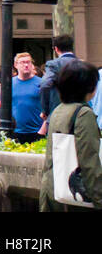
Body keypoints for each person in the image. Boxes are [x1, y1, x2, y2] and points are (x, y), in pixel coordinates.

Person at [39, 59, 102, 211]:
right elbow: (89, 161)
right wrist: (99, 199)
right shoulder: (83, 113)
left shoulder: (59, 110)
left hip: (54, 188)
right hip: (76, 197)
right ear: (89, 87)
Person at [39, 35, 77, 129]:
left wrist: (45, 110)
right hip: (80, 112)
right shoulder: (82, 63)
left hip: (58, 111)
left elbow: (45, 84)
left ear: (55, 49)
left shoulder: (53, 64)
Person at [11, 52, 43, 142]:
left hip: (37, 131)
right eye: (22, 62)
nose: (26, 65)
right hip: (15, 132)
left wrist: (43, 130)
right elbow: (1, 105)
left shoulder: (42, 83)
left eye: (28, 62)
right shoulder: (9, 84)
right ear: (16, 65)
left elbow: (49, 108)